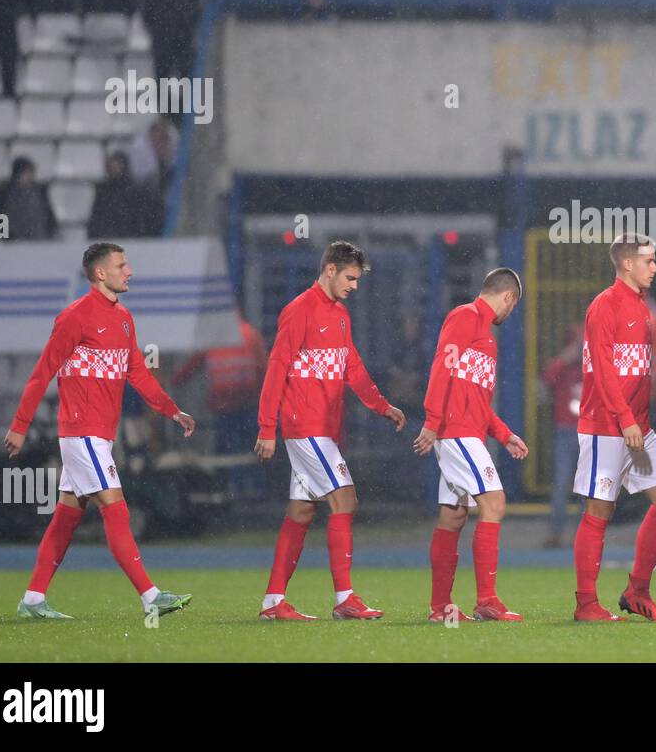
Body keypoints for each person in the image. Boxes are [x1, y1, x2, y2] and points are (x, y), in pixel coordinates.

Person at [5, 242, 196, 619]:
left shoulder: (124, 318)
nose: (130, 271)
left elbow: (137, 373)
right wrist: (20, 425)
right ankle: (150, 596)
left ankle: (32, 599)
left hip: (99, 435)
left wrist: (172, 411)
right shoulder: (74, 317)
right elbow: (42, 372)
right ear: (100, 273)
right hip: (82, 432)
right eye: (122, 265)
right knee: (115, 506)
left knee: (67, 517)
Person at [254, 240, 406, 620]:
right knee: (345, 499)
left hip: (322, 428)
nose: (355, 286)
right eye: (350, 278)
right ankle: (345, 599)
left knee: (302, 511)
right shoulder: (299, 311)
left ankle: (273, 602)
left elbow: (351, 366)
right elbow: (276, 368)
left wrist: (381, 405)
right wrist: (266, 427)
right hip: (305, 427)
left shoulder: (340, 314)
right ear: (330, 270)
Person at [571, 233, 656, 622]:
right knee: (599, 511)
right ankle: (586, 604)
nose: (655, 267)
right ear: (627, 264)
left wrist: (638, 418)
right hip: (607, 426)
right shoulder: (605, 306)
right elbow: (601, 372)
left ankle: (637, 591)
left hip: (638, 425)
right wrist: (625, 418)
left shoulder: (641, 306)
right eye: (649, 261)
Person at [413, 268, 528, 623]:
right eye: (514, 305)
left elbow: (476, 400)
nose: (511, 314)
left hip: (464, 432)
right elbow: (441, 370)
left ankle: (439, 609)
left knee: (453, 516)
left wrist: (504, 434)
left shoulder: (485, 336)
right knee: (494, 502)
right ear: (508, 297)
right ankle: (487, 601)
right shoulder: (465, 317)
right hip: (456, 433)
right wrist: (432, 422)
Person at [172, 312, 268, 495]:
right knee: (248, 450)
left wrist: (174, 380)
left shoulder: (218, 337)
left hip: (227, 407)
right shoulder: (249, 334)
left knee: (227, 451)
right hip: (244, 405)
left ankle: (227, 490)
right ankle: (252, 490)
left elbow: (192, 365)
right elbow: (264, 369)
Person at [541, 323, 584, 548]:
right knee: (561, 483)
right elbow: (546, 380)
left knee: (588, 489)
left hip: (590, 433)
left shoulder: (594, 366)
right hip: (566, 431)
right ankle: (555, 533)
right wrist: (566, 358)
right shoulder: (562, 366)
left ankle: (583, 536)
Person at [138, 0, 205, 87]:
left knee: (186, 81)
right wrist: (155, 31)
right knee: (162, 81)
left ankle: (184, 108)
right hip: (161, 43)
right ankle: (164, 109)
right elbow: (146, 11)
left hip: (184, 42)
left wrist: (188, 30)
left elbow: (198, 10)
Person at [0, 157, 57, 241]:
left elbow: (49, 219)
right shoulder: (4, 194)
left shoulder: (39, 192)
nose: (30, 176)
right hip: (11, 243)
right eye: (26, 173)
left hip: (37, 241)